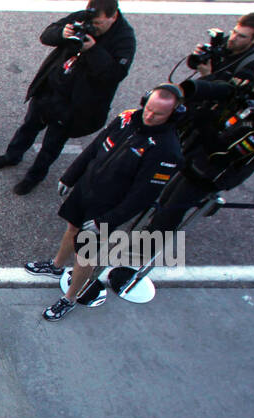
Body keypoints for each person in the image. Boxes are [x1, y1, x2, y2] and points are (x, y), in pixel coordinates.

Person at [26, 86, 183, 321]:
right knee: (72, 228)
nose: (149, 116)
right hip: (86, 189)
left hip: (107, 208)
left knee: (85, 256)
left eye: (158, 114)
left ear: (173, 113)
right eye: (148, 109)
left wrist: (106, 221)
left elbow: (143, 195)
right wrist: (70, 176)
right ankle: (56, 265)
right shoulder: (126, 118)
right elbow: (95, 147)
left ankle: (70, 298)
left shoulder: (167, 150)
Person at [148, 58, 254, 232]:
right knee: (165, 198)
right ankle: (151, 229)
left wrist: (206, 124)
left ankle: (146, 247)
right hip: (199, 155)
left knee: (171, 209)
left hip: (211, 172)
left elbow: (224, 156)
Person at [0, 0, 136, 195]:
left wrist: (92, 50)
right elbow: (47, 35)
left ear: (113, 16)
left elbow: (115, 75)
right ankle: (12, 156)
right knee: (29, 126)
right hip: (50, 89)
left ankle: (34, 177)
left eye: (99, 24)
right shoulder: (84, 18)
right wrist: (62, 33)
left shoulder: (124, 39)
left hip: (75, 105)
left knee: (52, 144)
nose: (93, 27)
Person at [185, 12, 254, 83]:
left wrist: (207, 75)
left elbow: (230, 95)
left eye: (242, 36)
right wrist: (200, 56)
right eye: (234, 32)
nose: (232, 38)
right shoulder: (226, 41)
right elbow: (194, 64)